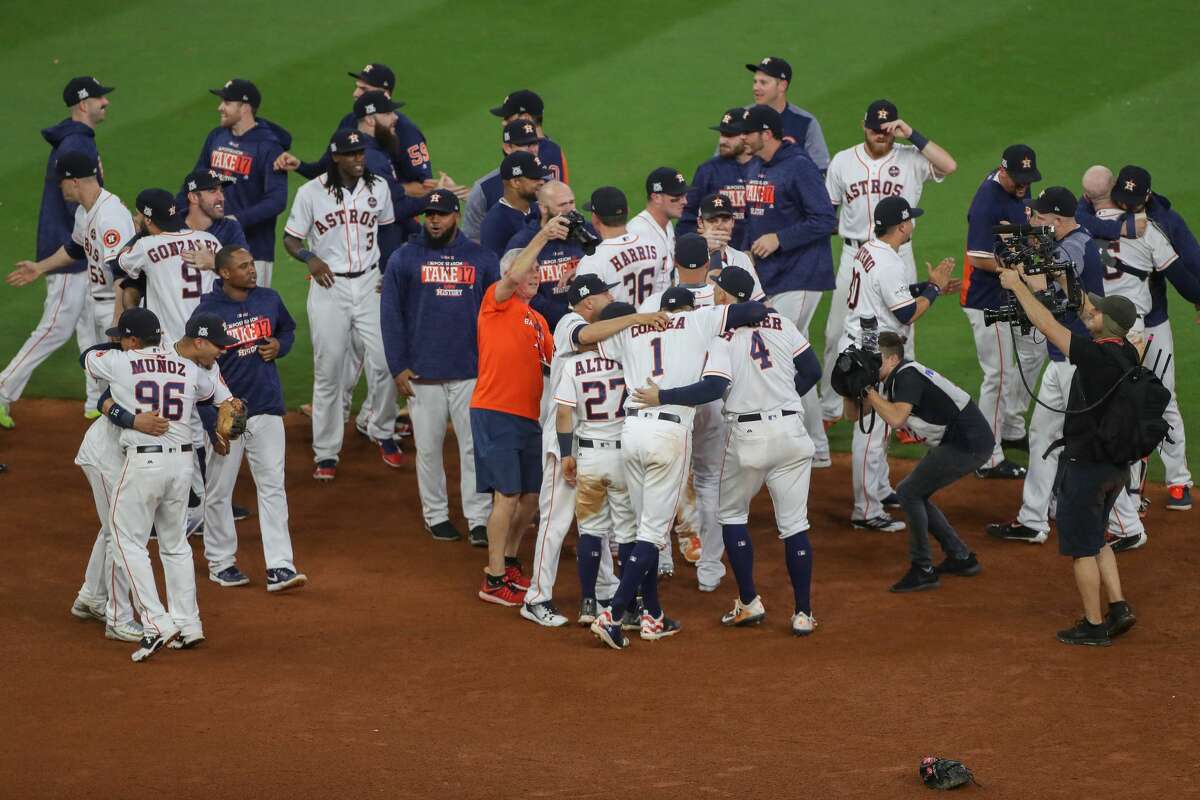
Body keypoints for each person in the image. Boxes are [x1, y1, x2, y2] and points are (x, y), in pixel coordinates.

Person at [586, 286, 770, 649]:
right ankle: (614, 614)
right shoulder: (699, 320)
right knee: (654, 532)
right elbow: (752, 311)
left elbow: (593, 340)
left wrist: (636, 321)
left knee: (644, 530)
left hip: (632, 430)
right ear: (689, 306)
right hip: (668, 433)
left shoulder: (632, 329)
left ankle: (652, 614)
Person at [657, 267, 822, 634]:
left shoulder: (721, 335)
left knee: (731, 515)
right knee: (795, 525)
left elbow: (713, 388)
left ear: (728, 294)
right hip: (792, 432)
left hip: (747, 435)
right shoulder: (781, 322)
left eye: (717, 287)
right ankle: (803, 614)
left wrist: (663, 396)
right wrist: (785, 397)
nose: (712, 291)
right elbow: (812, 369)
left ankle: (749, 602)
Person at [985, 187, 1141, 549]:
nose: (1033, 221)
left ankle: (1128, 527)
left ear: (1056, 220)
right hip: (1062, 357)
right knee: (1043, 436)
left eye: (1039, 217)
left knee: (1086, 446)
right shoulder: (1061, 243)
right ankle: (1033, 519)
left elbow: (1050, 283)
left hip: (1082, 360)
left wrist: (1021, 266)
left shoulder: (1076, 246)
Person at [82, 308, 240, 661]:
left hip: (144, 462)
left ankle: (156, 622)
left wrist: (117, 348)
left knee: (125, 540)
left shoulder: (121, 362)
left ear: (132, 340)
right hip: (182, 465)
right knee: (175, 545)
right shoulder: (188, 368)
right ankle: (189, 623)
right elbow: (220, 399)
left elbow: (87, 357)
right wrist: (226, 414)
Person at [996, 270, 1141, 646]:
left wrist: (1018, 287)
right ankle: (1119, 606)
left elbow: (1045, 324)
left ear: (1106, 323)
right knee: (1099, 538)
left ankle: (1093, 625)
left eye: (1096, 313)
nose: (1090, 313)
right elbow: (1089, 311)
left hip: (1087, 467)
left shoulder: (1094, 356)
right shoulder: (1127, 350)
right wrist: (1064, 282)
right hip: (1115, 467)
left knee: (1081, 549)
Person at [521, 273, 665, 626]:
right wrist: (635, 318)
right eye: (604, 295)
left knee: (594, 523)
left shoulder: (606, 335)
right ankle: (536, 597)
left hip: (592, 447)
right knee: (556, 521)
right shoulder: (572, 321)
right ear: (588, 302)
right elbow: (584, 337)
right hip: (564, 443)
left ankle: (602, 587)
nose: (610, 298)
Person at [819, 99, 957, 425]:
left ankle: (902, 408)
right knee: (837, 332)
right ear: (863, 126)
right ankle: (832, 406)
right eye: (874, 129)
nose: (881, 135)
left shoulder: (911, 158)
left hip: (898, 254)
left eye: (888, 129)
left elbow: (949, 166)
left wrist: (911, 133)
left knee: (900, 332)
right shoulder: (843, 161)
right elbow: (827, 211)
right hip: (855, 254)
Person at [1076, 165, 1200, 513]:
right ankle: (1163, 486)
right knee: (1156, 399)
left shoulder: (1079, 223)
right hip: (1144, 326)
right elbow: (1187, 278)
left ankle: (1144, 488)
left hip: (1100, 327)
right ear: (1114, 189)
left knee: (1114, 406)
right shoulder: (1150, 229)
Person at [381, 190, 499, 544]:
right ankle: (435, 515)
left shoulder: (482, 259)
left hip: (471, 370)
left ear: (456, 216)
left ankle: (478, 518)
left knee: (474, 448)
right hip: (422, 373)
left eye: (442, 214)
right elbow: (390, 317)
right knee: (429, 448)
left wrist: (492, 365)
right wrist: (398, 366)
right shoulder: (404, 258)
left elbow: (495, 317)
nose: (434, 220)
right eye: (430, 214)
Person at [282, 128, 400, 479]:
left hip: (369, 284)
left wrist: (389, 269)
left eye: (361, 152)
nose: (359, 158)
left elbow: (390, 230)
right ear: (336, 157)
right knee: (330, 369)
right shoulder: (310, 193)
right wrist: (309, 257)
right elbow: (290, 238)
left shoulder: (378, 187)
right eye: (351, 154)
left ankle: (381, 429)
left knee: (386, 361)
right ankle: (326, 452)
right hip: (328, 286)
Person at [636, 234, 752, 588]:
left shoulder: (652, 301)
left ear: (673, 262)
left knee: (661, 481)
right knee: (710, 482)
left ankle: (661, 558)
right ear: (708, 263)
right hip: (713, 399)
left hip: (666, 400)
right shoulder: (722, 301)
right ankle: (710, 571)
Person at [837, 196, 958, 530]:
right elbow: (907, 311)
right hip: (871, 353)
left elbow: (889, 294)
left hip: (866, 345)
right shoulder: (890, 262)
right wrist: (932, 289)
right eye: (911, 220)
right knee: (871, 431)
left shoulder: (869, 250)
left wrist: (929, 288)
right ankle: (866, 511)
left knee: (881, 428)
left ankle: (878, 489)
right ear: (903, 225)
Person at [0, 76, 114, 429]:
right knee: (56, 328)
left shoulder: (77, 140)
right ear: (84, 104)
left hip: (75, 246)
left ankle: (96, 399)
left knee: (91, 324)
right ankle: (2, 389)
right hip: (69, 250)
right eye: (99, 98)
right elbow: (77, 201)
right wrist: (84, 242)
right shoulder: (76, 144)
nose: (105, 103)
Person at [192, 248, 307, 592]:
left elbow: (287, 329)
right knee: (219, 490)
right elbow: (195, 370)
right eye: (242, 267)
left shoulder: (269, 299)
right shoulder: (207, 312)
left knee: (272, 486)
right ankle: (221, 562)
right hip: (227, 414)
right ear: (224, 273)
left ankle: (280, 566)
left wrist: (279, 345)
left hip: (267, 406)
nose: (251, 271)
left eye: (251, 264)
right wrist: (212, 419)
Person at [844, 333, 989, 591]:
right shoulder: (889, 378)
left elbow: (897, 418)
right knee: (915, 492)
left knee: (909, 492)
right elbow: (852, 416)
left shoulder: (907, 374)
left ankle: (923, 568)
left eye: (873, 359)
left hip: (969, 442)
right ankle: (960, 557)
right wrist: (847, 388)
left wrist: (867, 390)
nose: (869, 364)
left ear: (890, 359)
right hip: (955, 439)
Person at [7, 151, 135, 419]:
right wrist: (40, 267)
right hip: (97, 304)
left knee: (122, 387)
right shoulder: (84, 212)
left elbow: (123, 274)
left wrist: (118, 320)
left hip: (115, 306)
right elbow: (74, 249)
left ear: (75, 181)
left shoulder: (109, 215)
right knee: (104, 386)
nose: (58, 186)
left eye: (61, 181)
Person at [741, 104, 836, 461]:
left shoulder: (798, 166)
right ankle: (817, 446)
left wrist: (780, 238)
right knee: (797, 358)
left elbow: (825, 218)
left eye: (748, 132)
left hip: (802, 275)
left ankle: (790, 439)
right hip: (772, 276)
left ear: (766, 133)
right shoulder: (756, 166)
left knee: (780, 357)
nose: (742, 137)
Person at [469, 219, 556, 607]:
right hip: (495, 410)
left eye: (538, 270)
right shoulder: (496, 303)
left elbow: (559, 364)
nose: (535, 274)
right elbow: (517, 269)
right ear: (511, 274)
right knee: (506, 495)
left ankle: (508, 559)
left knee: (530, 496)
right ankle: (493, 578)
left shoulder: (539, 322)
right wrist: (545, 235)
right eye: (529, 269)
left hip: (527, 417)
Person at [553, 300, 641, 626]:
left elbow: (564, 413)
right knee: (628, 532)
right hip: (624, 455)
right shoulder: (633, 362)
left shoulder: (574, 366)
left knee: (590, 530)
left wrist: (566, 454)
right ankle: (628, 603)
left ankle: (588, 602)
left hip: (589, 455)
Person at [72, 362, 171, 643]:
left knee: (112, 530)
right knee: (122, 534)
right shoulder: (132, 367)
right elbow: (104, 399)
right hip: (106, 458)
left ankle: (91, 597)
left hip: (119, 458)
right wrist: (133, 420)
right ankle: (118, 619)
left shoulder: (172, 373)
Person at [961, 144, 1043, 478]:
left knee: (1034, 349)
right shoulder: (987, 201)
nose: (1024, 185)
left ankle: (1011, 426)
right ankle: (988, 454)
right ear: (1002, 170)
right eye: (1018, 179)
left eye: (1028, 178)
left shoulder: (1021, 186)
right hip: (986, 300)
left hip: (1013, 293)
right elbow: (978, 258)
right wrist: (1021, 269)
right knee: (999, 375)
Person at [189, 78, 290, 287]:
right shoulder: (216, 137)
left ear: (244, 107)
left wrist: (236, 219)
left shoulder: (269, 147)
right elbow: (195, 181)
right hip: (211, 244)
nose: (220, 107)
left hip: (253, 251)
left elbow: (277, 200)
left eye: (226, 102)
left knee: (247, 316)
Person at [115, 189, 221, 341]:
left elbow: (120, 262)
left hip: (170, 345)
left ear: (148, 220)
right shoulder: (209, 239)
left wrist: (135, 238)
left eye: (138, 214)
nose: (136, 218)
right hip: (208, 337)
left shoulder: (146, 246)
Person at [504, 180, 586, 333]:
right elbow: (519, 292)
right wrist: (569, 316)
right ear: (543, 208)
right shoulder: (523, 242)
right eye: (562, 205)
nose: (570, 209)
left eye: (572, 202)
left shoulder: (585, 231)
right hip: (542, 330)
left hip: (583, 324)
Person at [574, 186, 669, 308]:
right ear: (627, 211)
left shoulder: (591, 261)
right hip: (652, 323)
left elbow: (585, 312)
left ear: (595, 218)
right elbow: (664, 290)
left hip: (617, 325)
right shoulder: (654, 246)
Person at [677, 108, 752, 242]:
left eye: (729, 135)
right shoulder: (708, 171)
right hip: (718, 256)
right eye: (722, 134)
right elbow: (686, 221)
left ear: (747, 136)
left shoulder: (767, 170)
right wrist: (701, 237)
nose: (722, 141)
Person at [742, 57, 829, 171]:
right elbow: (720, 166)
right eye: (755, 81)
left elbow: (821, 168)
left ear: (782, 85)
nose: (755, 87)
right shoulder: (741, 118)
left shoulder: (805, 122)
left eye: (763, 82)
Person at [461, 119, 542, 242]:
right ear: (507, 147)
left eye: (534, 143)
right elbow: (472, 239)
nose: (532, 150)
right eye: (525, 144)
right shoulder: (483, 188)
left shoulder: (549, 183)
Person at [627, 167, 688, 293]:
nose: (684, 201)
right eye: (677, 197)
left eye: (684, 195)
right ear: (656, 197)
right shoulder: (637, 232)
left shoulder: (668, 225)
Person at [695, 193, 766, 300]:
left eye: (725, 220)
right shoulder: (690, 255)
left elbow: (759, 300)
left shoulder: (742, 259)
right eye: (712, 221)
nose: (719, 226)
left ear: (733, 222)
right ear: (700, 223)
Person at [489, 89, 568, 182]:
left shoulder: (533, 154)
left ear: (526, 118)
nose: (503, 122)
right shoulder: (551, 148)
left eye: (508, 117)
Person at [479, 151, 546, 257]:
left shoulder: (540, 209)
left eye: (542, 177)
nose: (542, 182)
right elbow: (496, 269)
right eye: (535, 178)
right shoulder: (495, 223)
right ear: (515, 182)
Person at [181, 170, 249, 258]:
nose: (222, 198)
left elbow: (244, 266)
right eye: (212, 191)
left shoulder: (230, 228)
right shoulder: (171, 226)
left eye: (221, 191)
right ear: (194, 197)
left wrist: (213, 263)